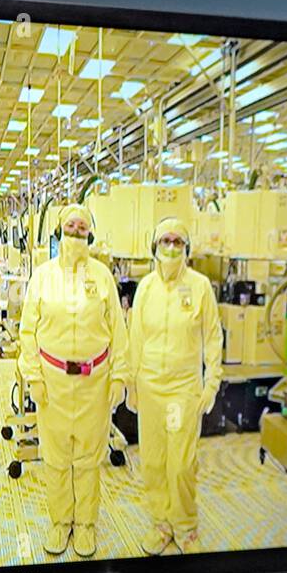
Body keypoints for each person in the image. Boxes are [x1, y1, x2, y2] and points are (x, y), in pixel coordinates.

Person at [17, 203, 129, 558]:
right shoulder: (43, 276)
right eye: (70, 227)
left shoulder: (102, 277)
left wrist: (119, 376)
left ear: (90, 235)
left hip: (95, 380)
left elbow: (119, 332)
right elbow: (27, 331)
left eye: (82, 229)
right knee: (55, 456)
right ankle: (60, 521)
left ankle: (85, 524)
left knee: (88, 456)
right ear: (58, 232)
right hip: (53, 381)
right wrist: (32, 375)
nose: (76, 233)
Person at [127, 217, 223, 555]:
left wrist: (212, 383)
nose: (171, 247)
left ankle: (186, 527)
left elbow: (213, 337)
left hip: (183, 390)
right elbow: (134, 338)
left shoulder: (200, 287)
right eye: (165, 241)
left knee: (181, 463)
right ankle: (162, 523)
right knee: (153, 461)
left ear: (186, 249)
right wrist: (131, 384)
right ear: (154, 247)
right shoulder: (146, 289)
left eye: (177, 242)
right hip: (150, 386)